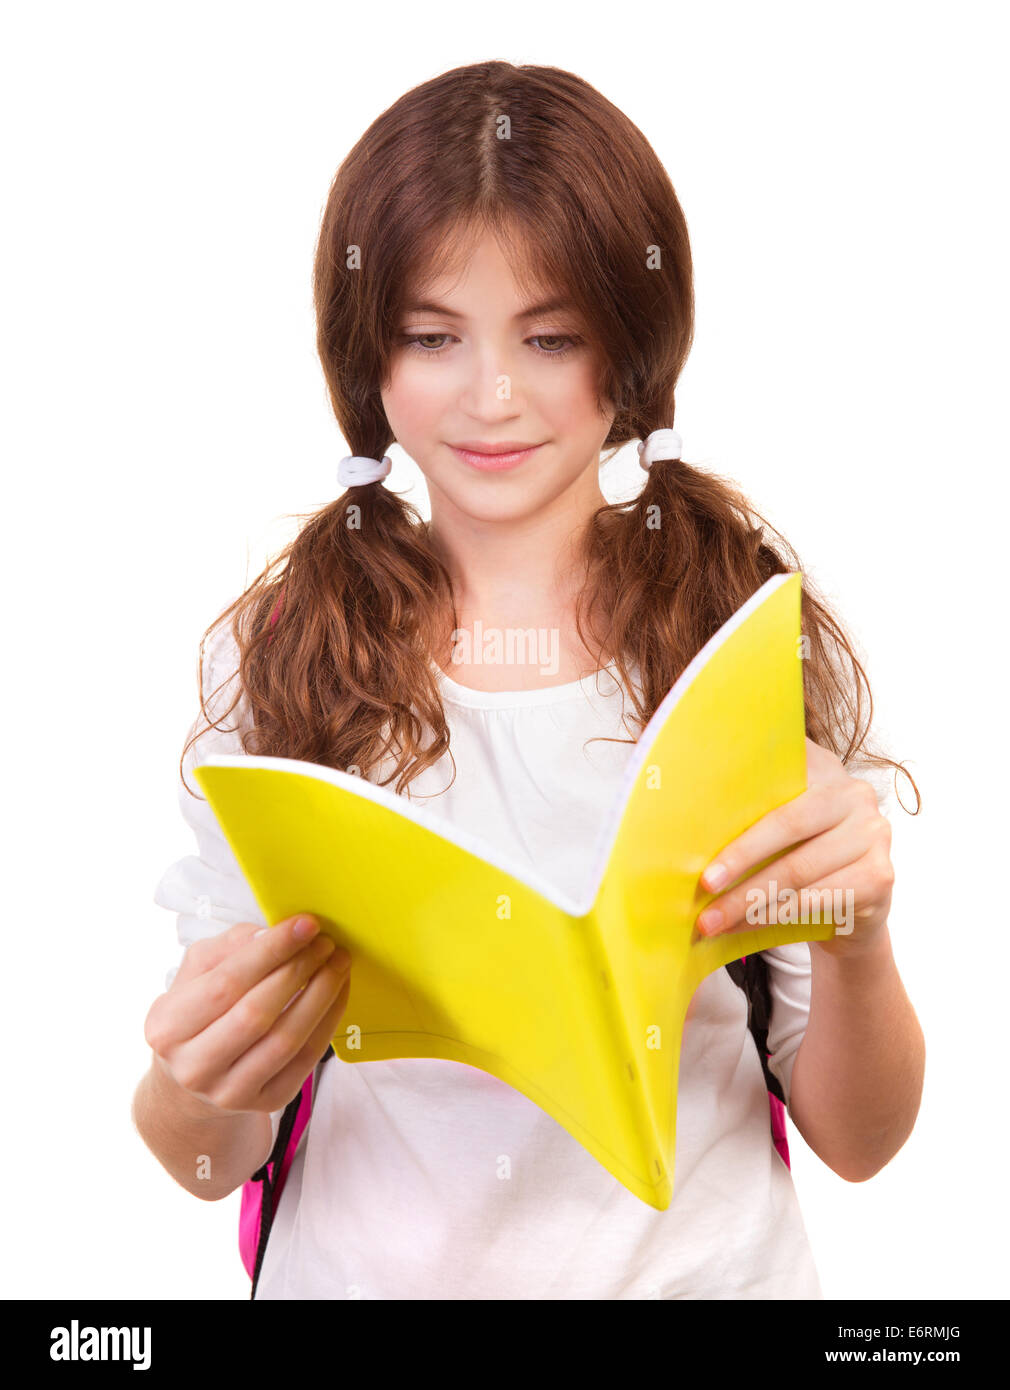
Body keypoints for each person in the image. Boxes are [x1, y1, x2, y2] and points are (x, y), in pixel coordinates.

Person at [132, 60, 925, 1300]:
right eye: (432, 337)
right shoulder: (284, 652)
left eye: (548, 337)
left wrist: (859, 941)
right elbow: (200, 1155)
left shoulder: (726, 632)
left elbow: (860, 1142)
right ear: (368, 357)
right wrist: (193, 1079)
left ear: (629, 349)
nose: (492, 395)